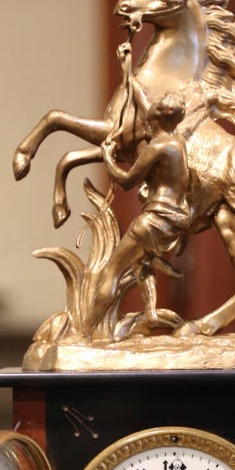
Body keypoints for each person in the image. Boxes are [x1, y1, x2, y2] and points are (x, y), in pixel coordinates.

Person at [85, 90, 191, 334]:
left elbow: (126, 180)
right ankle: (151, 312)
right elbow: (146, 106)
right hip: (172, 220)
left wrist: (108, 156)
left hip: (154, 218)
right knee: (141, 262)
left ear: (156, 120)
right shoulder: (177, 142)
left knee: (111, 270)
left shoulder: (158, 147)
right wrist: (128, 70)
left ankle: (83, 333)